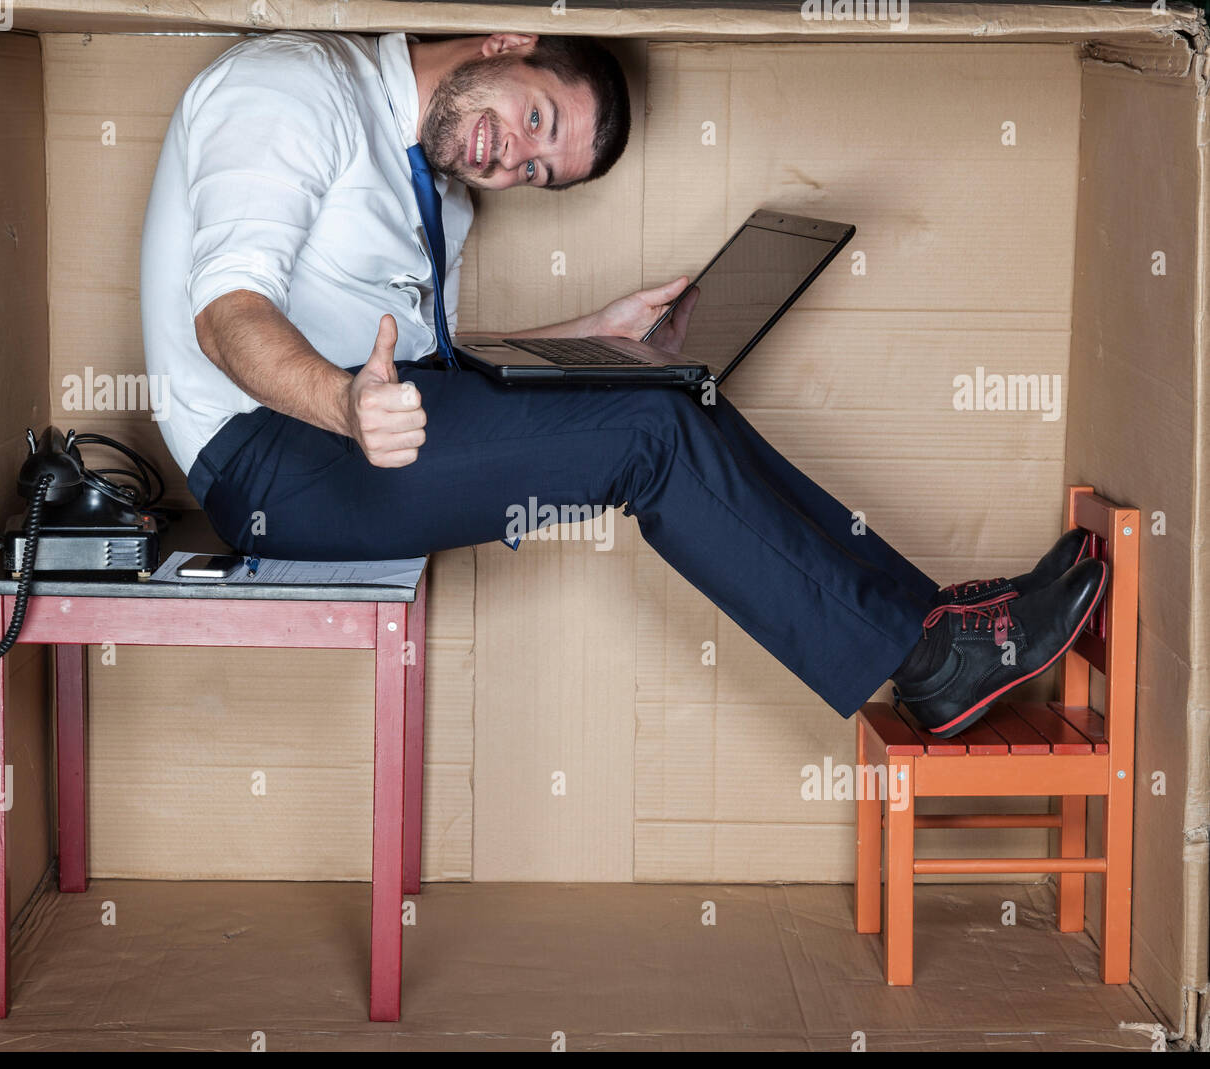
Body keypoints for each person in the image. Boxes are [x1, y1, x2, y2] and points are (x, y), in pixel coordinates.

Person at [140, 30, 1107, 740]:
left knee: (675, 395)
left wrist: (588, 336)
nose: (512, 159)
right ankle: (927, 662)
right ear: (508, 44)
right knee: (649, 439)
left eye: (537, 169)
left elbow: (430, 364)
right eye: (535, 120)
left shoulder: (437, 190)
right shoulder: (291, 88)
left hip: (351, 424)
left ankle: (930, 624)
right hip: (268, 458)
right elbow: (229, 319)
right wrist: (346, 407)